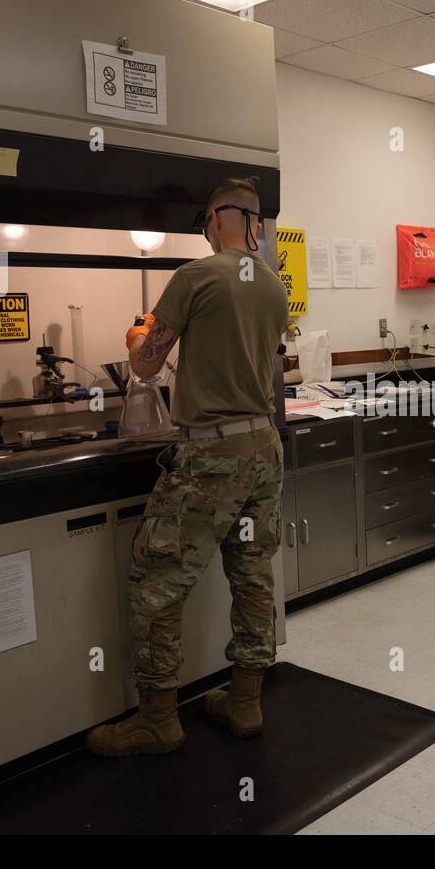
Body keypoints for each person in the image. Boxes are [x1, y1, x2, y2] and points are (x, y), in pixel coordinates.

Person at [87, 177, 287, 756]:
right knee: (252, 575)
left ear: (215, 217)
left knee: (155, 581)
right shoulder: (273, 285)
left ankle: (157, 718)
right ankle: (245, 701)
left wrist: (141, 336)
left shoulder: (196, 275)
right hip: (263, 446)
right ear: (253, 221)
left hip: (212, 455)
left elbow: (145, 367)